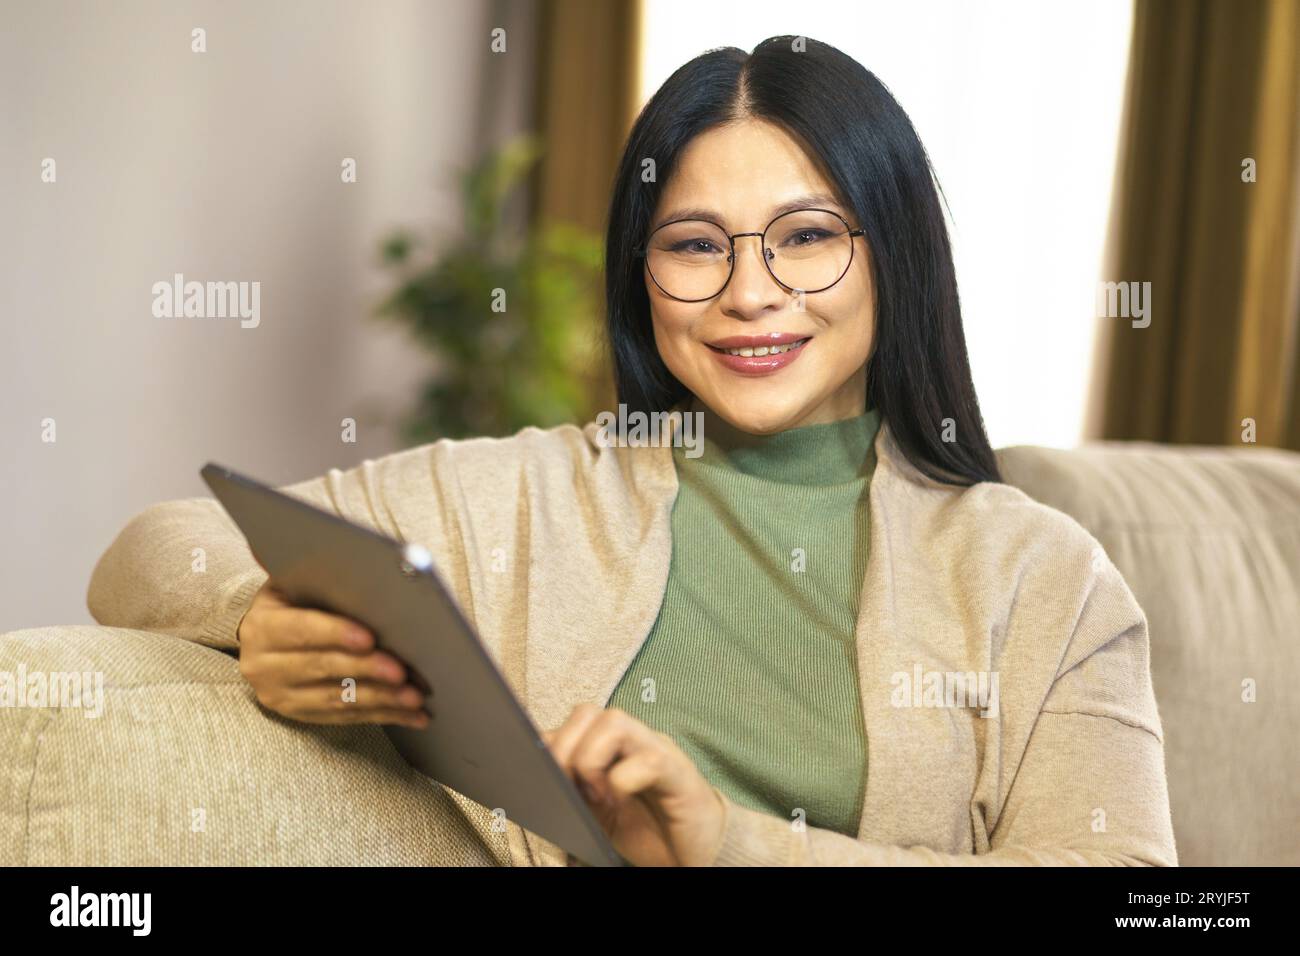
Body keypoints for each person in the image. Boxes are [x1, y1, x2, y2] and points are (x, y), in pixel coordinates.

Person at [88, 36, 1177, 867]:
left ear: (892, 252)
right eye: (694, 246)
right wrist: (253, 612)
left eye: (806, 236)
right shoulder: (525, 493)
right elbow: (147, 548)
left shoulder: (1042, 578)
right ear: (639, 278)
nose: (750, 292)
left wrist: (730, 844)